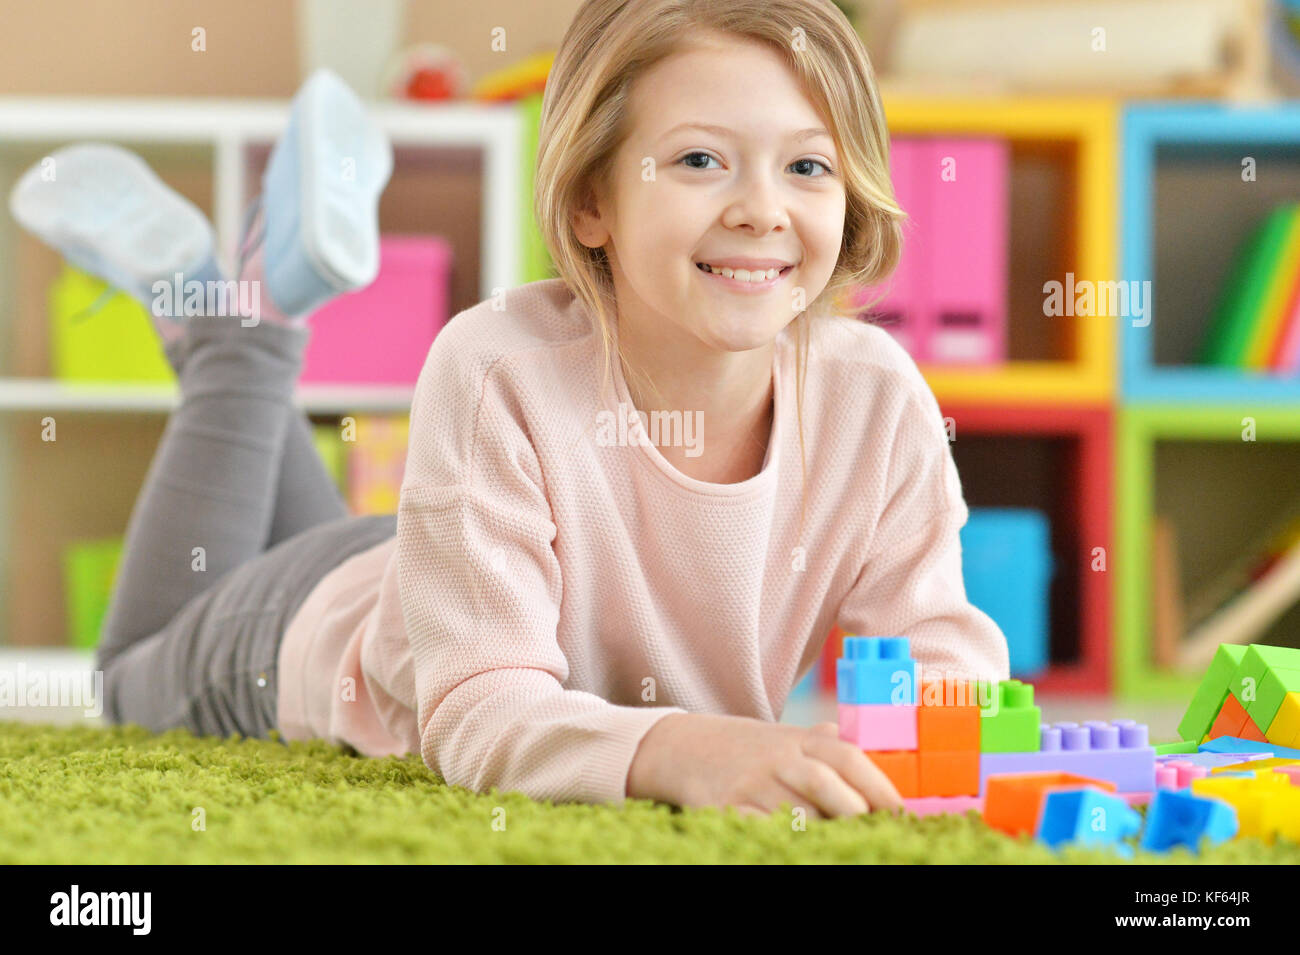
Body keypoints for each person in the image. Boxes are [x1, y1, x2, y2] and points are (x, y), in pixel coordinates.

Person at [13, 0, 1009, 820]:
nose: (763, 207)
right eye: (701, 160)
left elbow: (935, 645)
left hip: (440, 577)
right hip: (307, 634)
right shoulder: (499, 366)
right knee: (122, 676)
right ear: (590, 204)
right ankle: (244, 329)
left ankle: (230, 304)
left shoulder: (875, 396)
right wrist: (677, 747)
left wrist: (937, 748)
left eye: (807, 165)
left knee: (381, 580)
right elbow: (480, 711)